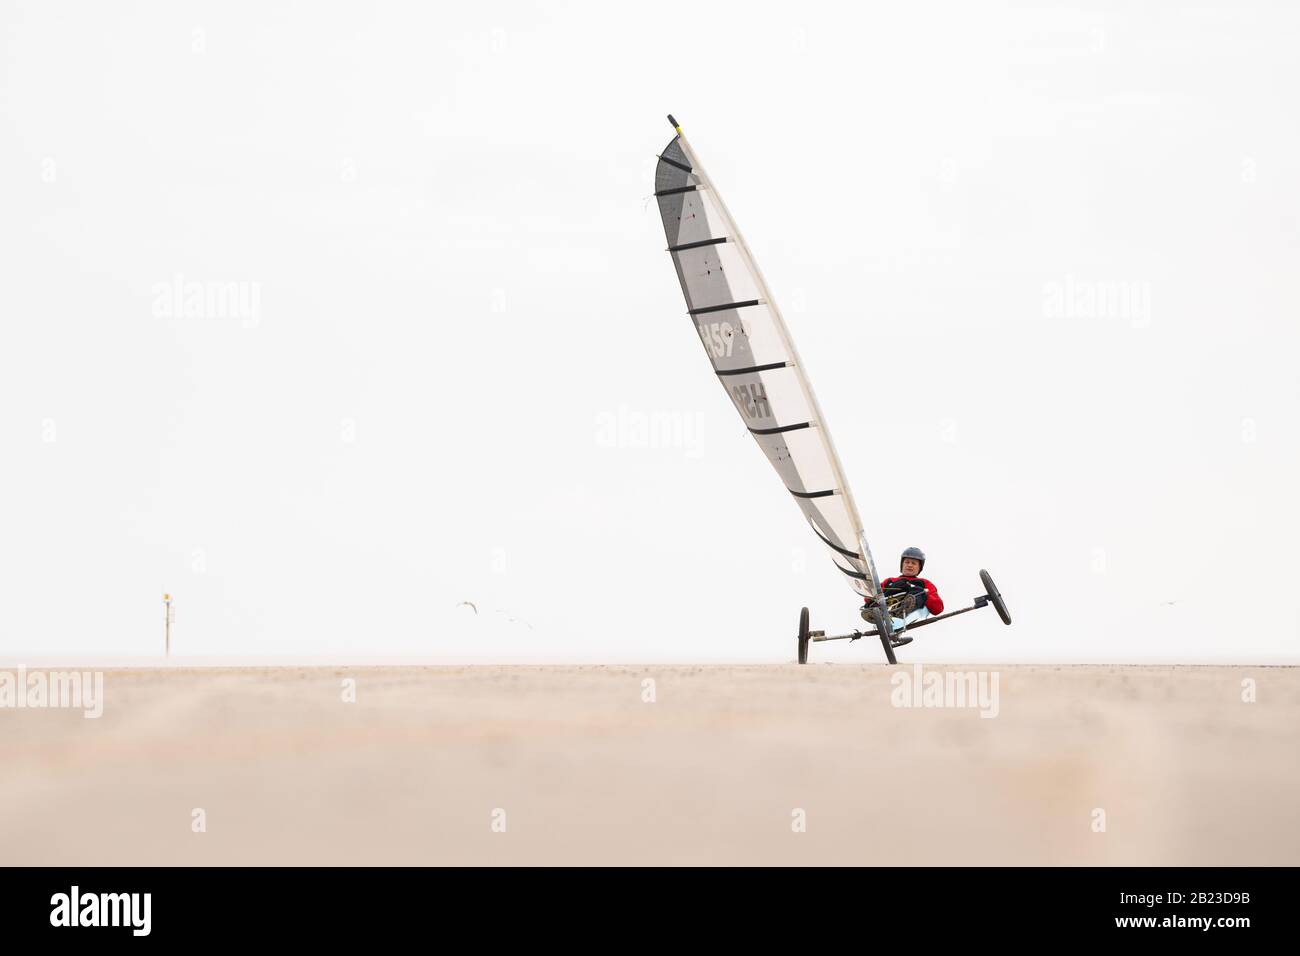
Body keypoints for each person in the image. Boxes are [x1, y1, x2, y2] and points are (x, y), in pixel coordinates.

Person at [879, 547, 944, 632]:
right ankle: (880, 609)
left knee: (918, 589)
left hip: (910, 610)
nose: (909, 565)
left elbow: (938, 608)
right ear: (902, 565)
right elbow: (868, 596)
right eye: (907, 562)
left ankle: (905, 607)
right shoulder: (890, 581)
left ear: (919, 568)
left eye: (913, 563)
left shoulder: (924, 583)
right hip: (889, 602)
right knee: (901, 583)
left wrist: (924, 593)